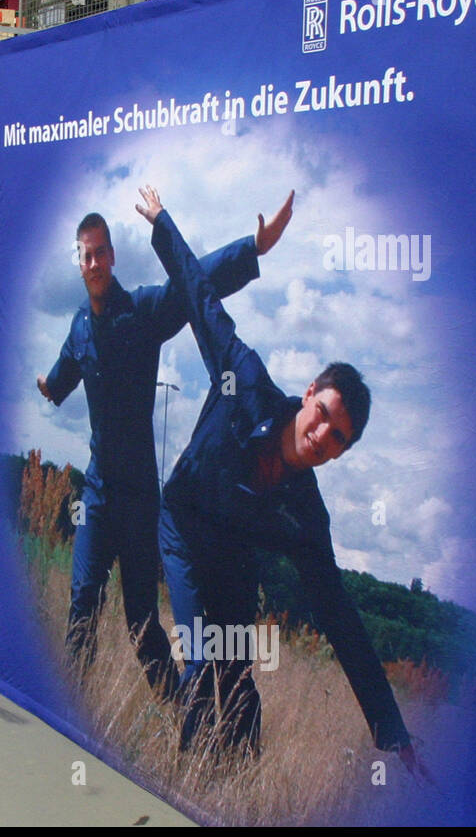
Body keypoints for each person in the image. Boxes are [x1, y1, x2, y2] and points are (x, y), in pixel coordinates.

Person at [137, 184, 429, 778]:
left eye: (338, 437)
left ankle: (237, 792)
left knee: (238, 675)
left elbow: (341, 619)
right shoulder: (243, 378)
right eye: (323, 414)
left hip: (236, 552)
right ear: (307, 397)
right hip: (186, 523)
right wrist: (168, 223)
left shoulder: (306, 518)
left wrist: (392, 729)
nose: (322, 435)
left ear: (342, 454)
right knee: (202, 665)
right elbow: (199, 299)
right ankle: (187, 790)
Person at [37, 191, 293, 689]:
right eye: (84, 255)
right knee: (83, 597)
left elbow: (195, 283)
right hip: (97, 490)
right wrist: (47, 386)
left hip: (138, 500)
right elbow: (61, 378)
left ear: (112, 256)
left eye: (99, 253)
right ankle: (72, 700)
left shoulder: (145, 310)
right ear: (79, 261)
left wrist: (252, 249)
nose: (92, 263)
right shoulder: (78, 327)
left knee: (140, 622)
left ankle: (180, 708)